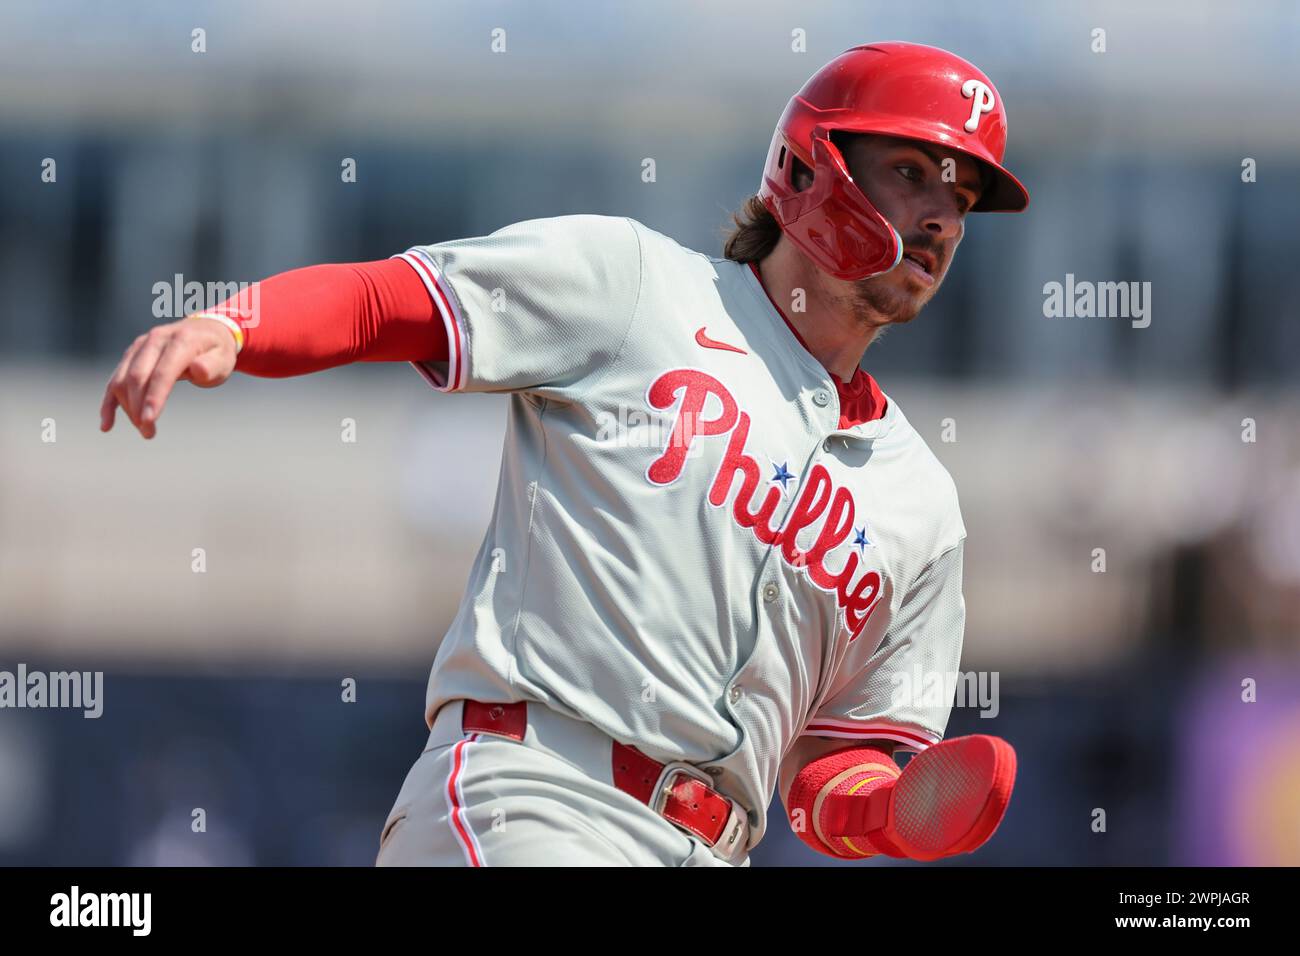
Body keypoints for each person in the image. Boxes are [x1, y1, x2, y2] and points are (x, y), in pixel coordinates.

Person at [100, 42, 1026, 867]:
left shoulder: (919, 504)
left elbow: (829, 771)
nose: (943, 217)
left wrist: (889, 810)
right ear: (811, 165)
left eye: (962, 199)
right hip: (537, 793)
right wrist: (237, 325)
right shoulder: (637, 288)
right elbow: (395, 301)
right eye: (914, 172)